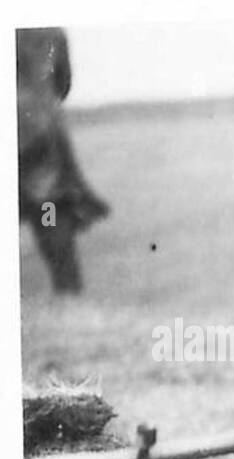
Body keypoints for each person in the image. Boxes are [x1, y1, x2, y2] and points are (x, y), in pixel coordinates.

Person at [17, 27, 111, 294]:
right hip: (40, 127)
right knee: (48, 206)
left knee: (47, 205)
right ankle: (67, 290)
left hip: (29, 128)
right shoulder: (52, 32)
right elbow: (63, 84)